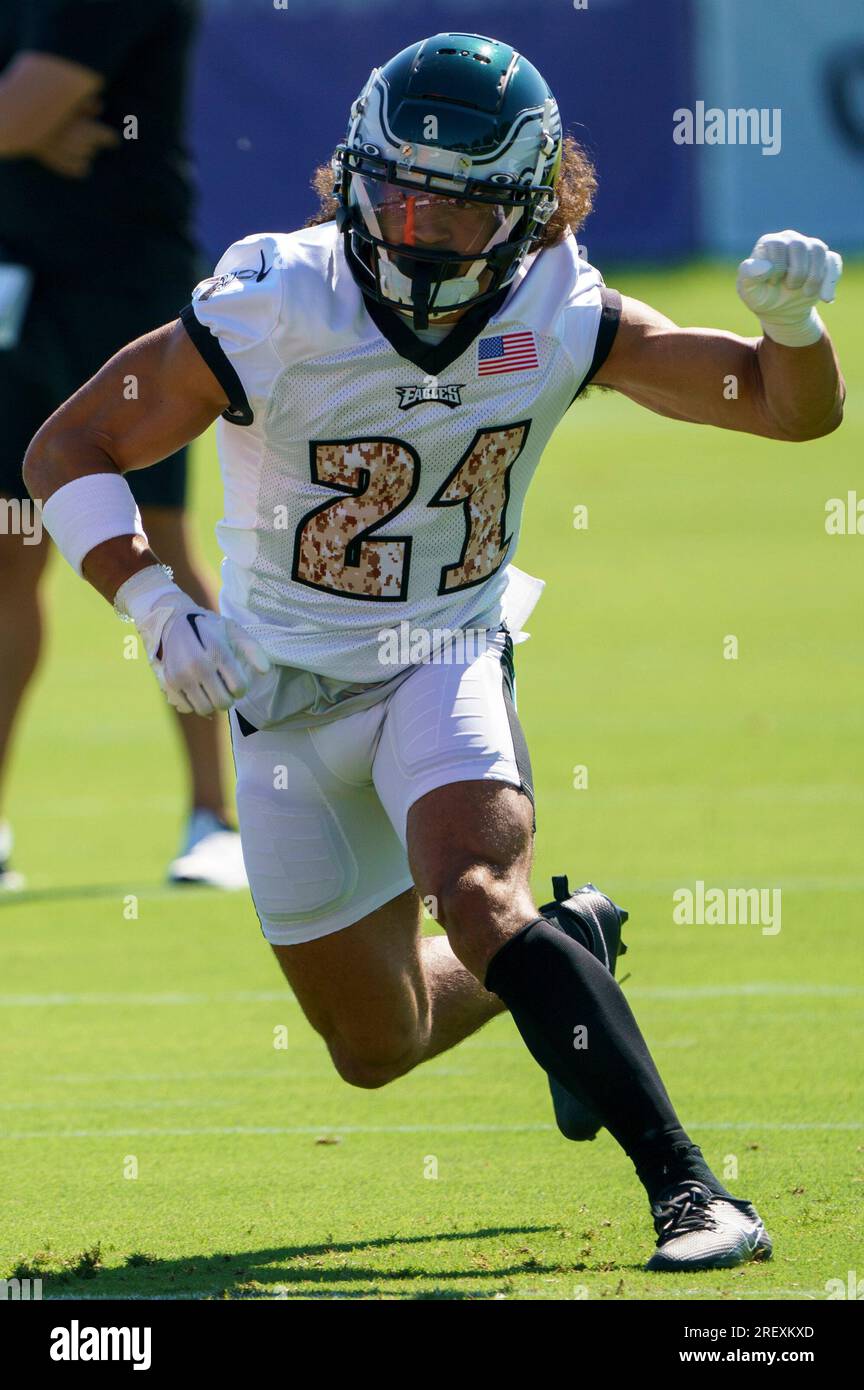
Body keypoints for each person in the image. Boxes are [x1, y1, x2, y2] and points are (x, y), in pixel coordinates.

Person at [24, 34, 845, 1270]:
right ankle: (575, 949)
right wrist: (151, 599)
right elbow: (67, 447)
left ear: (526, 211)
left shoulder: (561, 305)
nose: (415, 231)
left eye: (455, 210)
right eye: (395, 193)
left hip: (439, 654)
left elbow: (785, 410)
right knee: (377, 1046)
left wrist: (796, 333)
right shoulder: (280, 302)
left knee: (476, 892)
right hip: (282, 693)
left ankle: (691, 1190)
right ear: (351, 178)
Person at [0, 0, 245, 890]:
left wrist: (21, 128)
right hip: (11, 288)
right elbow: (20, 119)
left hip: (121, 292)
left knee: (158, 538)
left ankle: (215, 817)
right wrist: (19, 130)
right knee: (7, 548)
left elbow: (24, 111)